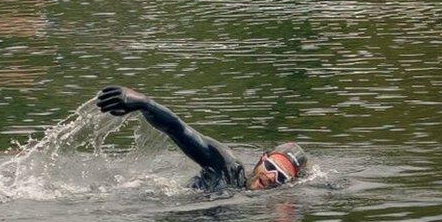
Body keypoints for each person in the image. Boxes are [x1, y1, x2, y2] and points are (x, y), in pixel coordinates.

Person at [95, 85, 308, 191]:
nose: (271, 177)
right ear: (262, 160)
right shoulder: (227, 167)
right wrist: (146, 104)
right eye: (271, 167)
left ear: (287, 185)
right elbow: (178, 129)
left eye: (280, 177)